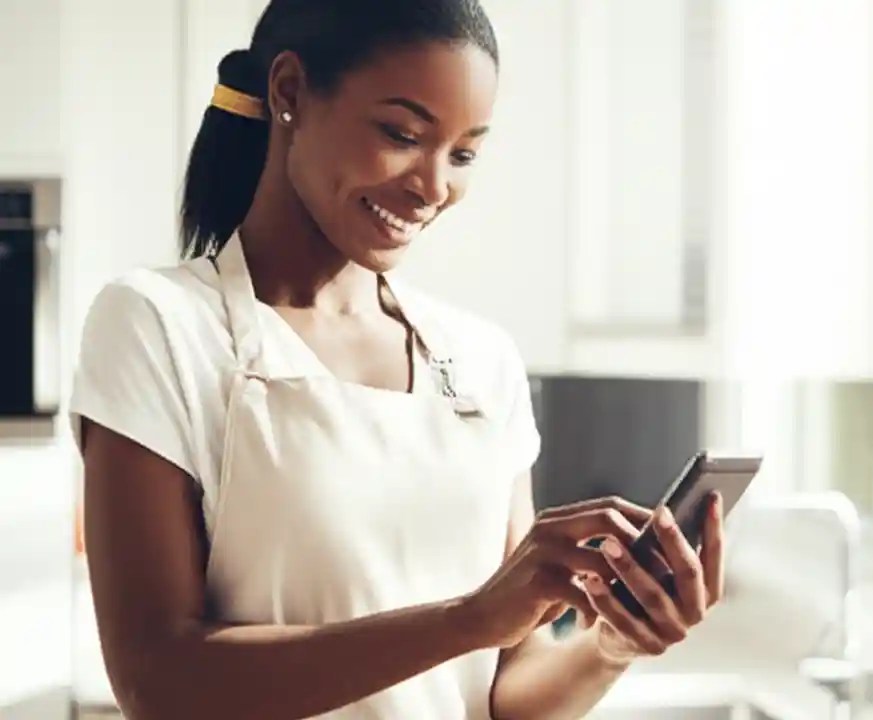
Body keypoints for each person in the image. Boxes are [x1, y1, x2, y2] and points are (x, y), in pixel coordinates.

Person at [70, 1, 724, 717]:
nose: (434, 187)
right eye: (402, 135)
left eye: (463, 154)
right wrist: (466, 621)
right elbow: (158, 682)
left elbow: (507, 691)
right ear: (290, 92)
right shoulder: (158, 325)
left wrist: (613, 646)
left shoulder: (482, 360)